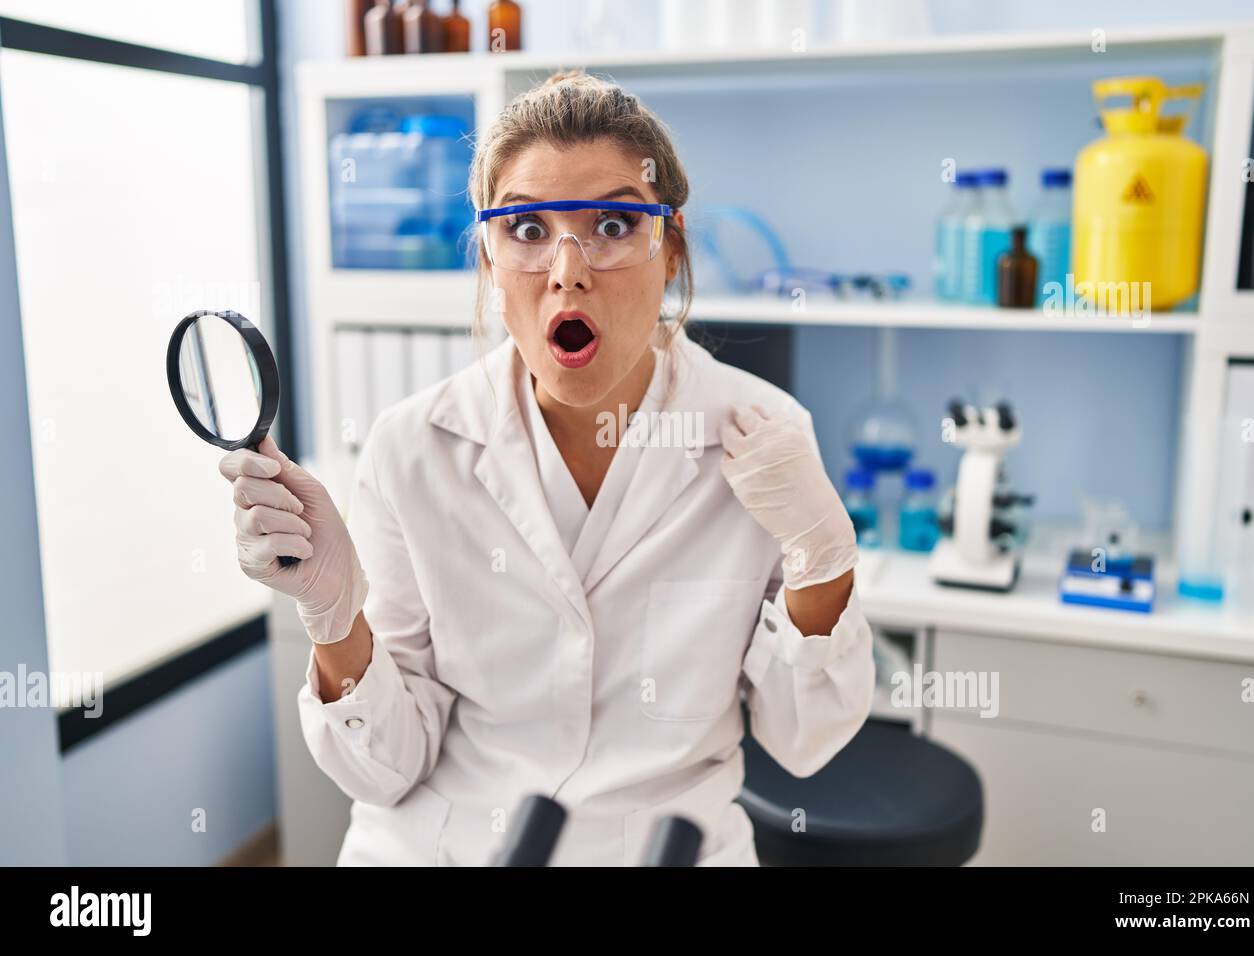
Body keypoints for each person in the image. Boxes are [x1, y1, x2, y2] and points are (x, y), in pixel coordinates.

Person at [218, 70, 874, 866]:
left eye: (611, 224)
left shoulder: (763, 437)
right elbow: (383, 771)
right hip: (447, 845)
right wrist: (333, 618)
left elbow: (805, 741)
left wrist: (823, 562)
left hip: (662, 847)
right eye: (526, 229)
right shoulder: (410, 448)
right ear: (491, 266)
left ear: (670, 250)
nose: (568, 269)